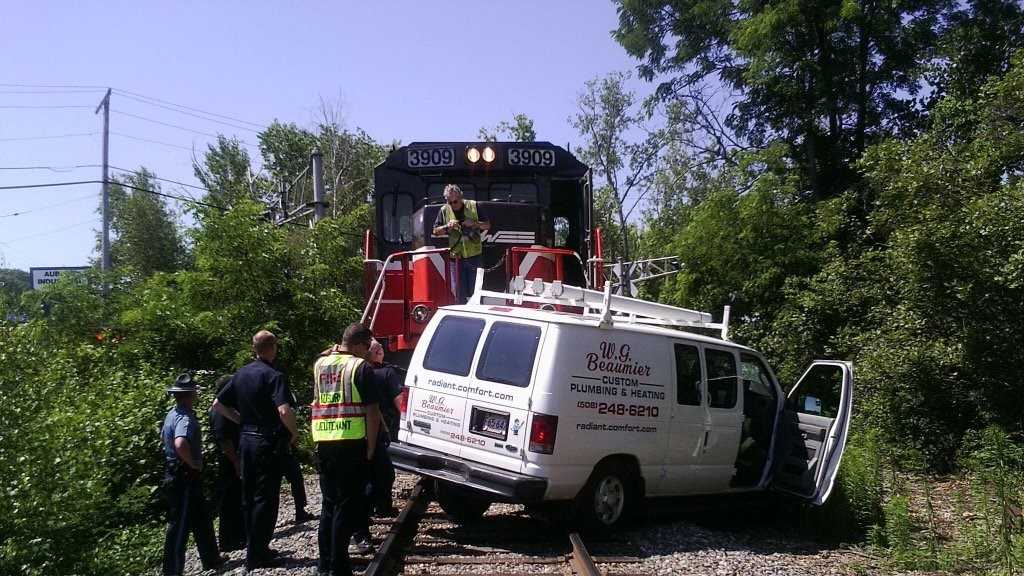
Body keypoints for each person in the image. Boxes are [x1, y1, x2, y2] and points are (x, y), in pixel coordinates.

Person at [212, 330, 298, 572]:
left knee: (249, 496)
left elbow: (218, 404)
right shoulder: (274, 376)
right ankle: (258, 554)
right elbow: (283, 410)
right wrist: (293, 432)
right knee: (266, 498)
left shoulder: (241, 373)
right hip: (266, 442)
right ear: (273, 348)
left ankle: (256, 547)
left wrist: (240, 421)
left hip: (246, 441)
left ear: (254, 348)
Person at [313, 323, 382, 576]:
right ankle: (339, 567)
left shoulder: (320, 364)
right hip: (350, 443)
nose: (367, 353)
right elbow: (372, 412)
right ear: (358, 345)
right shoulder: (359, 367)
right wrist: (371, 448)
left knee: (329, 504)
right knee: (346, 506)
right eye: (366, 348)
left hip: (323, 441)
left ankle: (324, 563)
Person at [161, 373, 225, 576]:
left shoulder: (172, 414)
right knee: (180, 525)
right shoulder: (185, 419)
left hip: (178, 473)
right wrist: (194, 463)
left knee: (201, 518)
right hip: (184, 475)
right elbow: (180, 443)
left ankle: (211, 558)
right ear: (189, 395)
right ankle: (172, 570)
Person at [351, 339, 404, 548]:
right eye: (378, 349)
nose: (382, 352)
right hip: (376, 430)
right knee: (382, 474)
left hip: (355, 432)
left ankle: (368, 514)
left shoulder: (354, 372)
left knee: (366, 478)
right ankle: (378, 509)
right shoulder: (386, 373)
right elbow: (394, 401)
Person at [432, 183, 490, 302]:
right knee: (458, 294)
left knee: (477, 292)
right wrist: (447, 226)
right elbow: (435, 231)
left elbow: (487, 225)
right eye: (450, 202)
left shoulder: (474, 205)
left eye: (456, 201)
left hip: (475, 257)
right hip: (456, 259)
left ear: (461, 197)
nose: (453, 205)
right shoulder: (444, 210)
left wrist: (474, 223)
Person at [210, 375, 245, 552]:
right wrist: (236, 462)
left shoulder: (227, 408)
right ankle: (227, 540)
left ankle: (238, 536)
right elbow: (224, 441)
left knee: (236, 498)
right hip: (228, 461)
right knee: (229, 501)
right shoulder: (220, 412)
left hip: (232, 459)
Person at [281, 387, 312, 524]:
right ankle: (300, 510)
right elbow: (287, 413)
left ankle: (300, 510)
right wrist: (294, 436)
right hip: (283, 445)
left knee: (295, 479)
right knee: (295, 479)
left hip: (277, 444)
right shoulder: (281, 401)